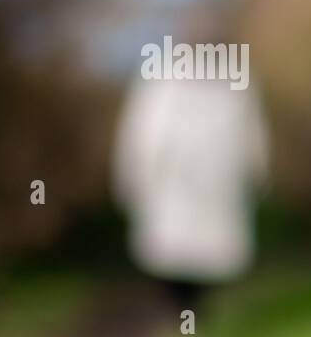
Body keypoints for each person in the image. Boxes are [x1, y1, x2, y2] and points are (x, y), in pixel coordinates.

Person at [112, 55, 268, 317]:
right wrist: (134, 180)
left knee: (203, 260)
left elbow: (253, 140)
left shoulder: (236, 84)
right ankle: (185, 319)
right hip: (175, 194)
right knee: (175, 260)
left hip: (211, 196)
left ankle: (191, 320)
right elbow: (141, 141)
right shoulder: (159, 84)